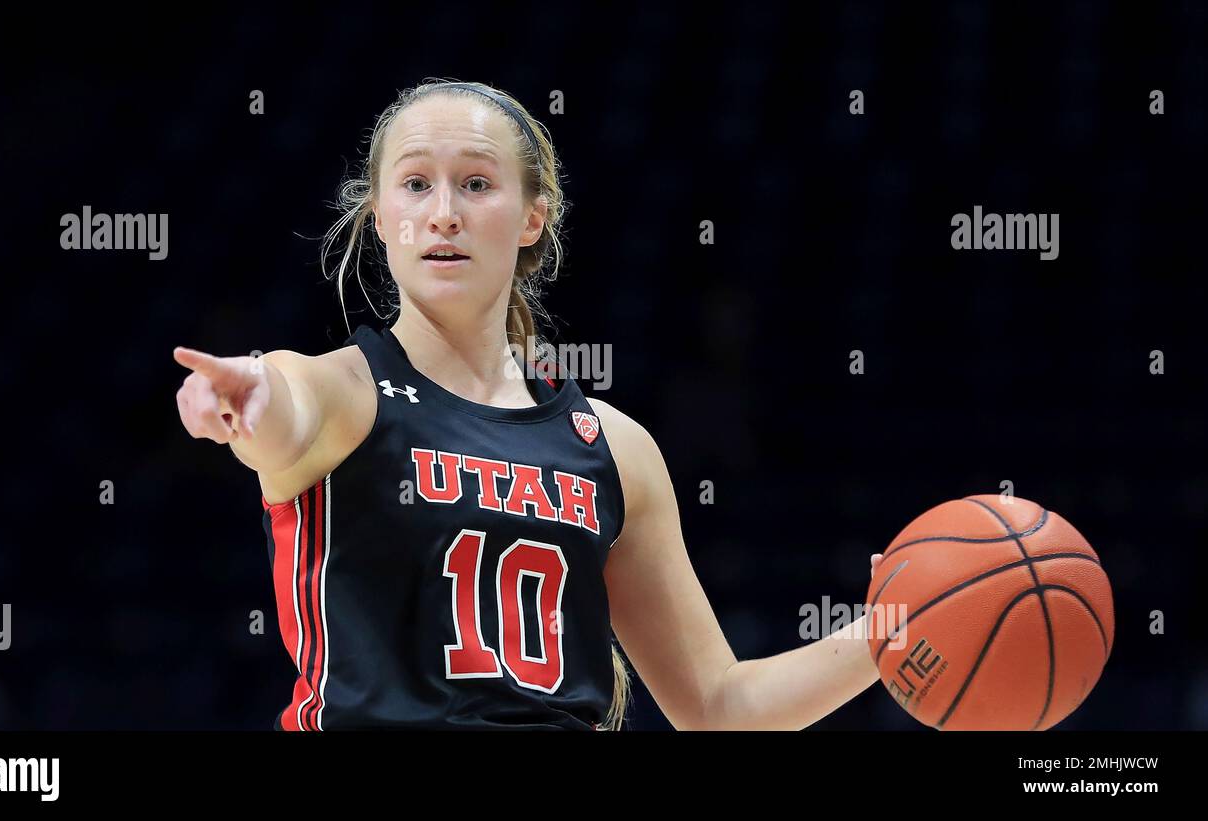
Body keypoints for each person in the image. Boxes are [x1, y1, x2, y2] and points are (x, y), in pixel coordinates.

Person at [174, 79, 883, 730]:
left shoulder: (614, 447)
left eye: (476, 184)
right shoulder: (342, 391)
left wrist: (891, 631)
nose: (444, 214)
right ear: (382, 218)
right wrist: (251, 395)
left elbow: (717, 707)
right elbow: (281, 411)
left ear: (531, 218)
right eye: (416, 185)